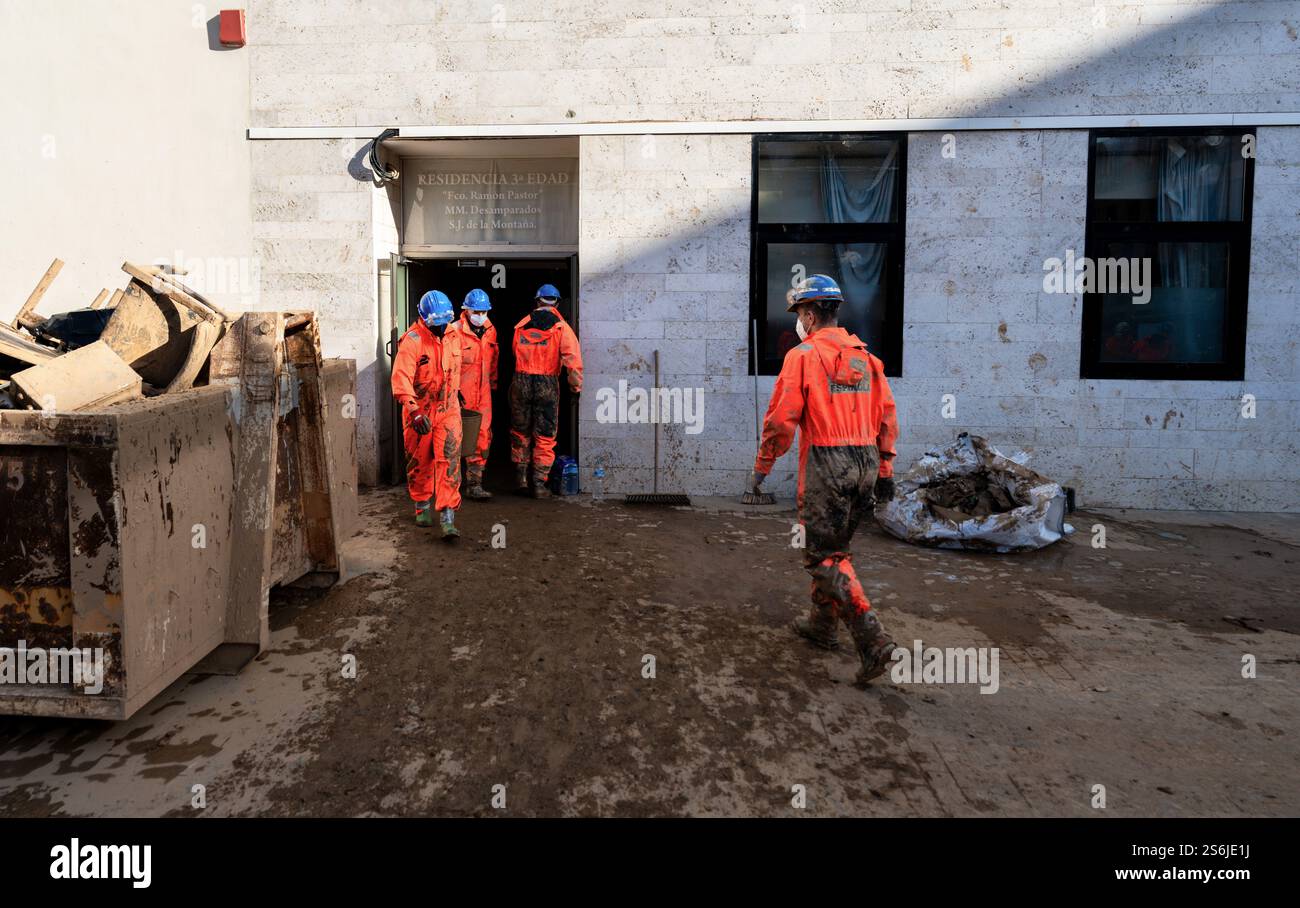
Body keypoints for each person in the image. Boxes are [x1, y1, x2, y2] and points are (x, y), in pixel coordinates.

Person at [746, 274, 900, 687]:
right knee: (838, 550)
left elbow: (781, 420)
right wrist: (885, 469)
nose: (798, 322)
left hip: (827, 463)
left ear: (810, 315)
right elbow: (886, 416)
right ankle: (822, 624)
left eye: (799, 314)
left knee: (822, 555)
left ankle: (873, 638)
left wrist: (763, 465)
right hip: (865, 461)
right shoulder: (867, 359)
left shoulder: (803, 356)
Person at [391, 290, 463, 539]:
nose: (442, 327)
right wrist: (414, 412)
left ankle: (447, 515)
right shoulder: (412, 341)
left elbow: (456, 368)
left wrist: (457, 392)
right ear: (424, 318)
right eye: (436, 323)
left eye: (445, 321)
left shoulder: (454, 334)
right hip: (420, 411)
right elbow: (401, 379)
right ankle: (422, 506)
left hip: (449, 409)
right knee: (420, 461)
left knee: (449, 461)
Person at [510, 283, 582, 498]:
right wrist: (575, 386)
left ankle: (521, 478)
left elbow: (515, 352)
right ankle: (540, 484)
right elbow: (573, 360)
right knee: (545, 434)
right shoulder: (562, 328)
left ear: (537, 301)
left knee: (519, 431)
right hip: (547, 382)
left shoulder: (521, 325)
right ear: (557, 303)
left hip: (520, 380)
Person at [457, 288, 498, 501]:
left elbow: (493, 362)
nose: (480, 315)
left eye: (484, 311)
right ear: (466, 309)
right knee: (453, 439)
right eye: (477, 311)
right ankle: (450, 485)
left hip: (483, 395)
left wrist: (493, 385)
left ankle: (474, 484)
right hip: (458, 396)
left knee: (482, 437)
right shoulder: (453, 331)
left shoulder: (491, 331)